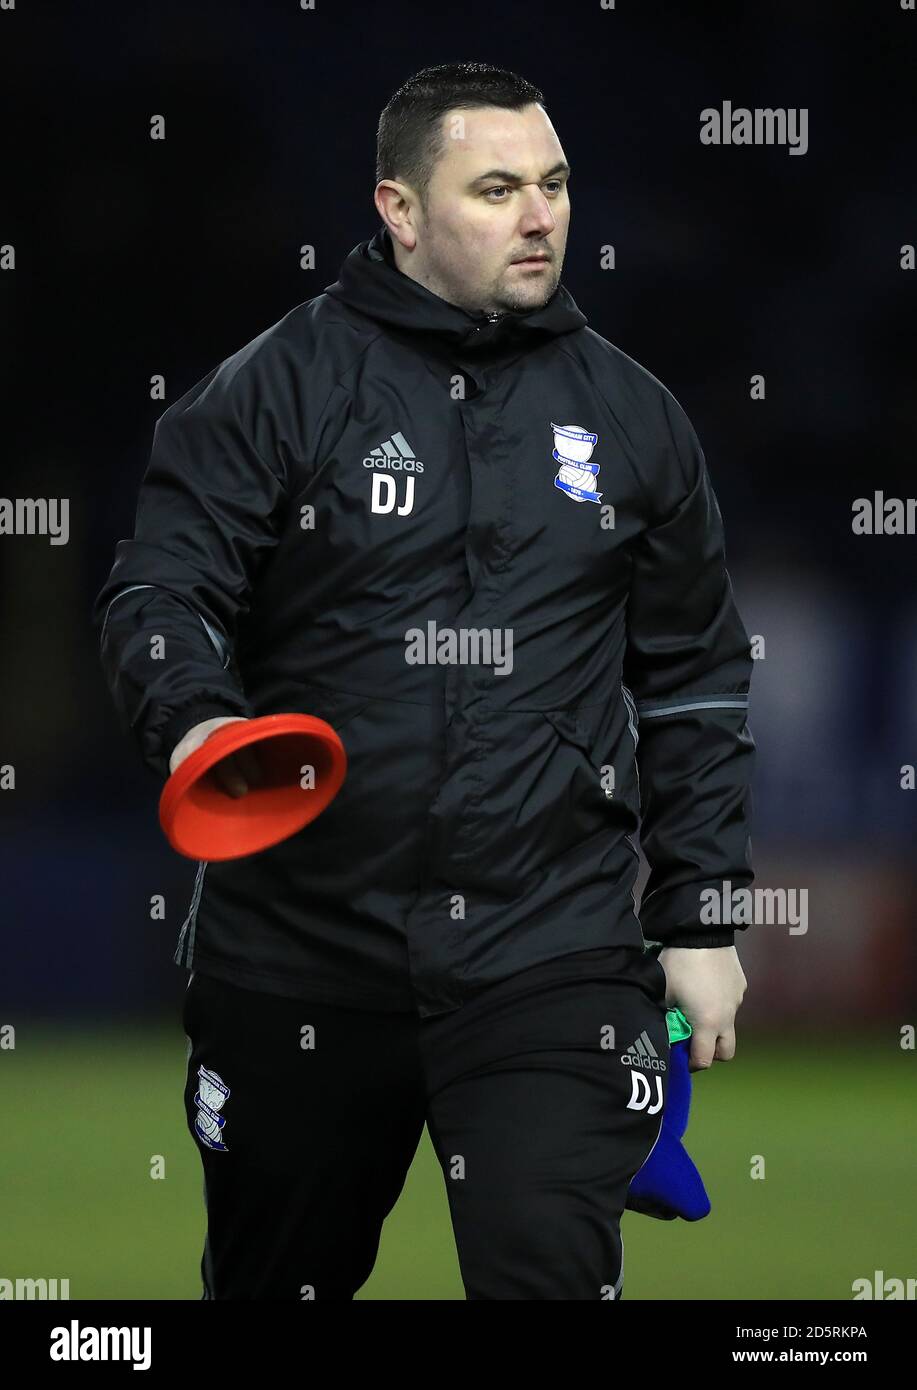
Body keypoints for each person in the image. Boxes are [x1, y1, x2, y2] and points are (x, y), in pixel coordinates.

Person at [93, 60, 755, 1300]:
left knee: (541, 1270)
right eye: (495, 188)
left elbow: (694, 678)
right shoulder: (267, 392)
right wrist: (192, 724)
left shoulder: (635, 416)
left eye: (552, 184)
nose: (539, 215)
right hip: (296, 956)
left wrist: (702, 909)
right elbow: (160, 592)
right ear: (398, 210)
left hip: (546, 953)